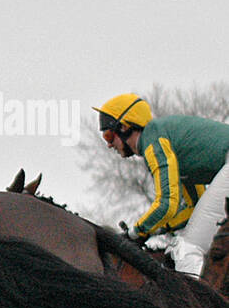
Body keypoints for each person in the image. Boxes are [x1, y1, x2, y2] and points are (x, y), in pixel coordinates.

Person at [94, 93, 229, 276]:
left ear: (125, 127)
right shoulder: (167, 139)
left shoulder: (153, 140)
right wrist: (156, 228)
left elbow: (167, 203)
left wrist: (134, 234)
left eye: (109, 135)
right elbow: (193, 208)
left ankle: (192, 305)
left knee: (188, 248)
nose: (109, 145)